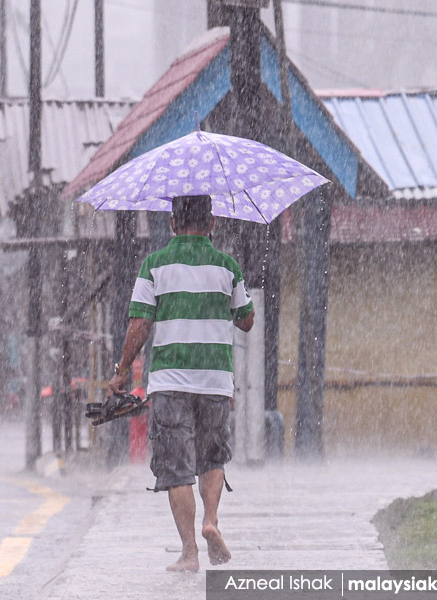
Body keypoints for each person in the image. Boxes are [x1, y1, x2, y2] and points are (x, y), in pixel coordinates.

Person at [108, 194, 255, 573]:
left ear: (172, 223)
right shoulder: (227, 266)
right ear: (212, 224)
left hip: (170, 381)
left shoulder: (154, 265)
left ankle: (189, 553)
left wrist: (122, 369)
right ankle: (211, 521)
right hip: (215, 380)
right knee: (212, 456)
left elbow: (139, 324)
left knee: (175, 467)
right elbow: (247, 319)